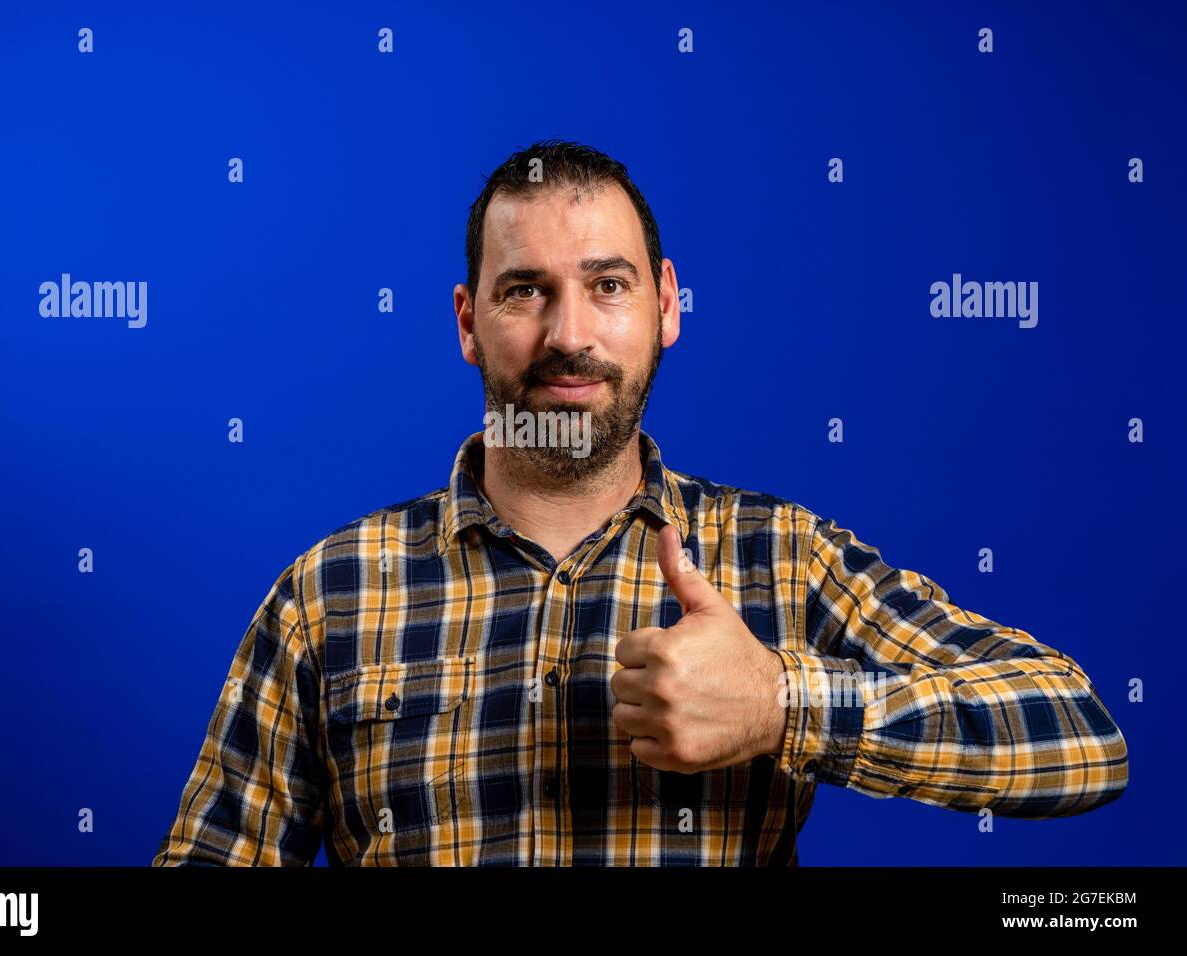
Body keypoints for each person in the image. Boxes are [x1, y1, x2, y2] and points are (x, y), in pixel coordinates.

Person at [152, 140, 1128, 866]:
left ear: (666, 305)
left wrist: (785, 702)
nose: (567, 332)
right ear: (466, 321)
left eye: (606, 285)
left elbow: (1081, 736)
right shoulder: (333, 590)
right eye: (524, 289)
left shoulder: (779, 558)